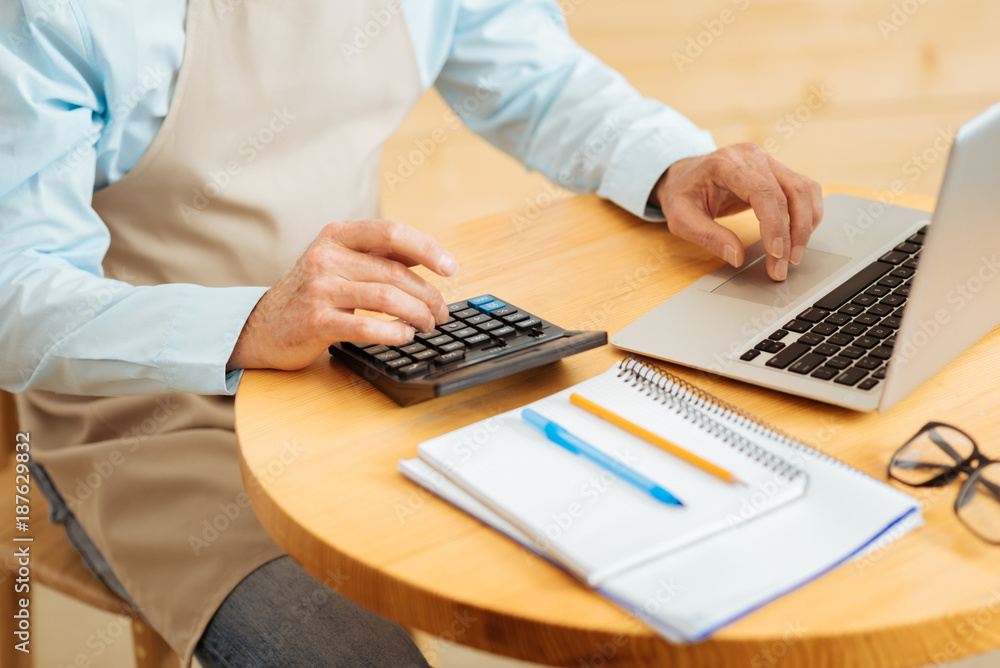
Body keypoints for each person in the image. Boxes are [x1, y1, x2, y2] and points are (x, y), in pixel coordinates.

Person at [0, 0, 823, 665]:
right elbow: (15, 290)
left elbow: (537, 79)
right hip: (147, 411)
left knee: (662, 564)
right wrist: (250, 322)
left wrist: (671, 164)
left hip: (370, 365)